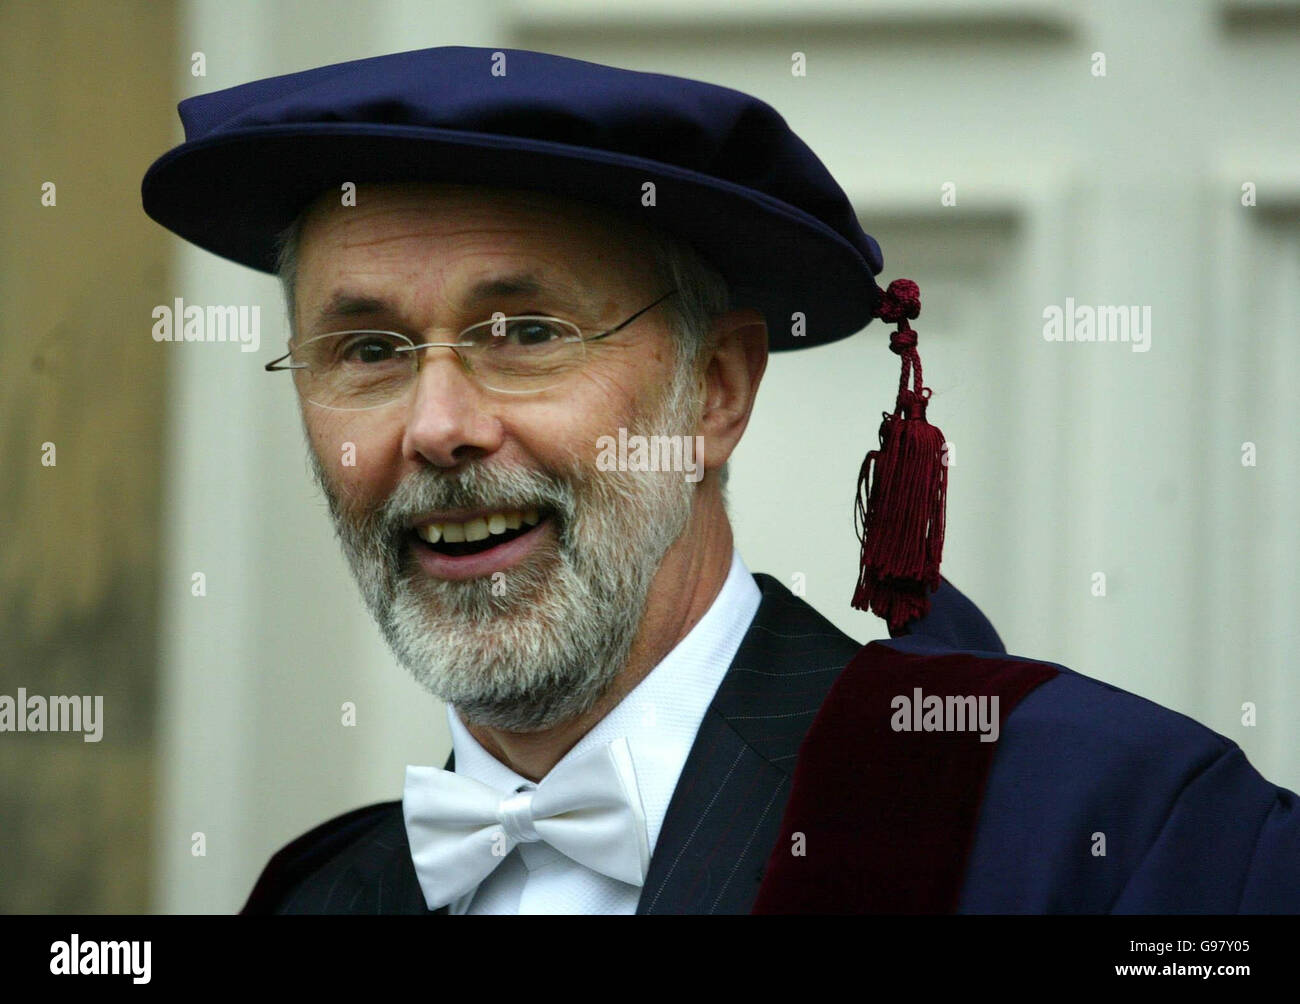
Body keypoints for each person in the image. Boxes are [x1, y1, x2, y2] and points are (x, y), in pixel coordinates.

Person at [142, 45, 1299, 914]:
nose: (439, 426)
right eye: (369, 351)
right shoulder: (315, 897)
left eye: (527, 331)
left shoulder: (1099, 830)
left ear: (716, 390)